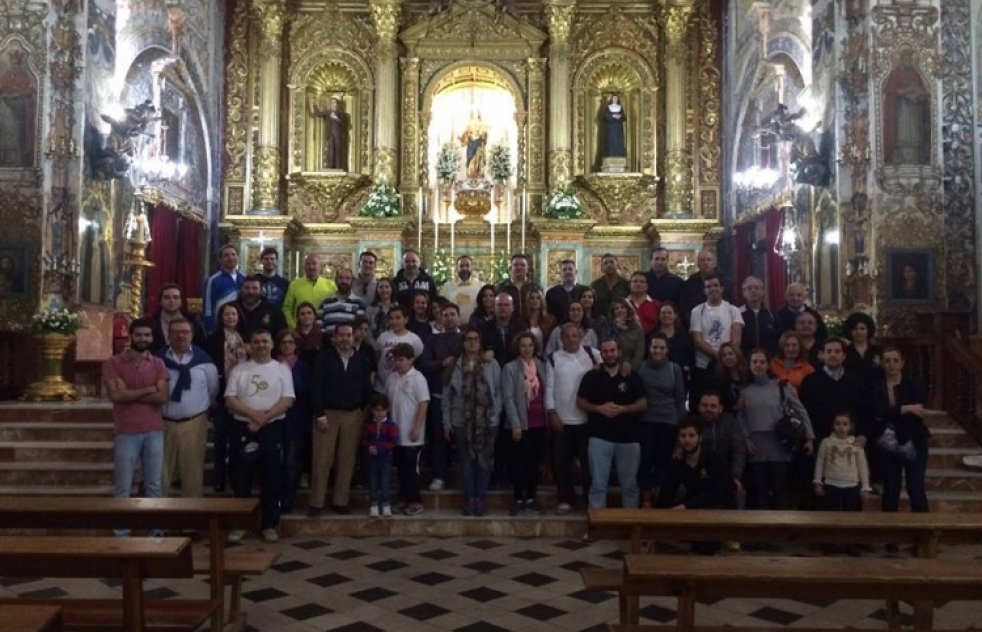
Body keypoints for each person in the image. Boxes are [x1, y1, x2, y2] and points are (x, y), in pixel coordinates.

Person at [224, 328, 294, 543]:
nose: (261, 345)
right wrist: (253, 415)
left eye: (265, 341)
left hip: (272, 429)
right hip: (244, 428)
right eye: (256, 341)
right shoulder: (240, 370)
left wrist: (264, 418)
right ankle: (239, 525)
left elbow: (287, 400)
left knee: (272, 478)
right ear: (250, 345)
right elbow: (230, 399)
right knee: (240, 478)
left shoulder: (282, 369)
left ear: (272, 344)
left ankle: (270, 524)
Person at [103, 318, 169, 535]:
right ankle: (121, 533)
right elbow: (116, 395)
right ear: (130, 336)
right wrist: (149, 388)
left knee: (154, 485)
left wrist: (130, 393)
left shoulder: (158, 363)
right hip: (126, 430)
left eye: (147, 335)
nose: (143, 339)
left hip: (154, 430)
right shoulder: (113, 363)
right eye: (139, 335)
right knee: (123, 485)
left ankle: (156, 530)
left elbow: (162, 397)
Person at [308, 322, 375, 516]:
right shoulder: (324, 358)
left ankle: (340, 501)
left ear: (354, 337)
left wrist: (363, 410)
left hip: (353, 415)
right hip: (326, 414)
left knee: (347, 459)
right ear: (335, 338)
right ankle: (317, 503)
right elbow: (315, 387)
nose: (345, 339)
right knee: (322, 459)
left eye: (349, 335)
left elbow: (366, 388)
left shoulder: (361, 360)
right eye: (342, 335)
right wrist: (319, 413)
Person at [740, 348, 814, 510]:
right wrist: (745, 438)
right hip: (756, 446)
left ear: (768, 365)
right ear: (750, 365)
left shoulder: (781, 386)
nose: (758, 365)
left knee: (780, 489)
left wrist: (809, 437)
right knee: (759, 491)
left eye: (762, 362)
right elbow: (742, 417)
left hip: (779, 443)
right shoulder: (745, 392)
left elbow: (801, 411)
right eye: (754, 362)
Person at [577, 339, 646, 509]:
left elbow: (643, 403)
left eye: (612, 350)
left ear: (619, 352)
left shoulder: (631, 375)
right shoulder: (592, 376)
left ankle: (631, 529)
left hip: (629, 439)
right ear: (601, 353)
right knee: (598, 485)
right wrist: (598, 408)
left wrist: (623, 409)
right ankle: (597, 528)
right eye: (605, 351)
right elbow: (580, 401)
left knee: (629, 487)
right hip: (599, 438)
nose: (609, 354)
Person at [443, 328, 502, 516]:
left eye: (476, 339)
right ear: (463, 342)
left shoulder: (491, 363)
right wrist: (447, 422)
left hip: (487, 421)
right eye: (468, 339)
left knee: (484, 462)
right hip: (462, 421)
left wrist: (496, 412)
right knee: (467, 462)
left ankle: (481, 498)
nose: (472, 343)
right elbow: (447, 397)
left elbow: (499, 391)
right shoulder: (454, 365)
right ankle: (470, 498)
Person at [158, 318, 218, 500]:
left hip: (193, 423)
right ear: (169, 335)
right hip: (162, 423)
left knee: (192, 474)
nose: (180, 336)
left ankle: (192, 522)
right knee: (160, 473)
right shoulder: (157, 360)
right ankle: (156, 522)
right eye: (175, 332)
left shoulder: (205, 362)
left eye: (185, 332)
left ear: (192, 335)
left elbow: (212, 389)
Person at [546, 323, 601, 514]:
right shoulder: (553, 358)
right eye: (567, 336)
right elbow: (549, 388)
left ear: (580, 337)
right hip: (563, 420)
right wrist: (552, 412)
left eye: (574, 336)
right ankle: (565, 499)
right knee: (562, 464)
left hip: (586, 421)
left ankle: (588, 500)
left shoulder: (593, 354)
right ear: (561, 339)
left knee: (589, 465)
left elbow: (610, 369)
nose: (571, 339)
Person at [873, 347, 930, 514]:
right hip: (888, 441)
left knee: (916, 487)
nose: (891, 365)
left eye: (895, 361)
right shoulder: (877, 387)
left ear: (902, 363)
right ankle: (890, 536)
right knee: (890, 489)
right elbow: (877, 412)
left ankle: (923, 533)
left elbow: (918, 411)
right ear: (882, 364)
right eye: (887, 361)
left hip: (914, 439)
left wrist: (895, 411)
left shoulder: (914, 384)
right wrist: (905, 408)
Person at [417, 303, 464, 492]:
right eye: (446, 314)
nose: (450, 317)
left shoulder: (466, 338)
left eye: (453, 314)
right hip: (438, 395)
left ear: (459, 317)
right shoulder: (433, 340)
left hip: (462, 398)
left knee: (462, 439)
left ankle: (464, 476)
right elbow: (424, 365)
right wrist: (441, 363)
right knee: (438, 438)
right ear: (441, 318)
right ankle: (438, 476)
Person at [636, 333, 686, 507]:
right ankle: (647, 499)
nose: (657, 350)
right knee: (645, 460)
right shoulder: (641, 367)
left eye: (661, 348)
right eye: (654, 347)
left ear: (667, 350)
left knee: (663, 461)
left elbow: (680, 398)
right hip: (645, 420)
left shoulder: (675, 369)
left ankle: (661, 499)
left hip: (669, 421)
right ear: (649, 349)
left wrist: (681, 426)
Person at [204, 303, 249, 492]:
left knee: (239, 439)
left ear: (239, 316)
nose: (230, 317)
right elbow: (211, 366)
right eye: (227, 314)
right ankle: (219, 477)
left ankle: (237, 476)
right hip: (222, 394)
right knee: (221, 439)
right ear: (221, 317)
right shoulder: (214, 337)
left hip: (244, 394)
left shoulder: (245, 336)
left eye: (234, 314)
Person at [502, 332, 548, 515]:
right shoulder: (510, 368)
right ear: (517, 348)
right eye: (523, 346)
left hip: (539, 422)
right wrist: (515, 424)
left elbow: (546, 390)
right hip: (520, 423)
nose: (527, 349)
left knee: (534, 463)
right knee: (519, 463)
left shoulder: (540, 365)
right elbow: (508, 398)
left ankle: (531, 497)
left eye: (530, 345)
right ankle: (518, 498)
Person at [386, 343, 430, 516]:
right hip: (395, 433)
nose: (398, 363)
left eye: (402, 360)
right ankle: (404, 498)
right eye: (396, 360)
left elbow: (423, 403)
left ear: (411, 360)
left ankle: (416, 502)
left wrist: (416, 427)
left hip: (411, 433)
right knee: (402, 469)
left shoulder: (418, 378)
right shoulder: (391, 378)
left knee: (411, 470)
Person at [689, 274, 744, 409]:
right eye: (708, 286)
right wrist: (717, 355)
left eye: (715, 285)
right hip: (703, 365)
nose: (712, 289)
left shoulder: (733, 310)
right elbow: (697, 340)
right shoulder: (697, 311)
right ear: (704, 290)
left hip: (727, 366)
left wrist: (726, 357)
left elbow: (736, 339)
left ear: (722, 288)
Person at [657, 418, 731, 510]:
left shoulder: (715, 460)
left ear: (700, 438)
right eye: (683, 436)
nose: (687, 440)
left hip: (716, 512)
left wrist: (686, 506)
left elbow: (717, 493)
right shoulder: (675, 464)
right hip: (686, 515)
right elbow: (665, 496)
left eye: (691, 436)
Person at [276, 330, 311, 515]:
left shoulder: (303, 368)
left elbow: (305, 394)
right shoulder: (272, 365)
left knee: (291, 462)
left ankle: (287, 500)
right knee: (274, 463)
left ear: (296, 345)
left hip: (295, 420)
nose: (287, 345)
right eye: (284, 342)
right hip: (273, 420)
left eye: (291, 342)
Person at [813, 411, 871, 515]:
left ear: (851, 426)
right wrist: (818, 482)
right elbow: (820, 463)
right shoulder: (826, 442)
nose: (841, 427)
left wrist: (865, 488)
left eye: (845, 424)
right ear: (833, 425)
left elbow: (862, 466)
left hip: (851, 485)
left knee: (851, 517)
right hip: (831, 484)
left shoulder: (856, 443)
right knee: (830, 516)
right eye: (838, 423)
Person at [696, 390, 746, 508]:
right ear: (699, 407)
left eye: (713, 406)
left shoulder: (730, 422)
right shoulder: (693, 422)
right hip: (698, 474)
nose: (708, 409)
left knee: (738, 492)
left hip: (725, 473)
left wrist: (735, 476)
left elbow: (739, 450)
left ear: (720, 408)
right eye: (705, 405)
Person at [362, 393, 399, 518]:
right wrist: (369, 448)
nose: (380, 413)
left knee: (385, 482)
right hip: (372, 458)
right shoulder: (369, 425)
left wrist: (380, 449)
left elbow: (392, 442)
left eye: (382, 410)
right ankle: (373, 505)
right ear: (372, 410)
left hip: (385, 458)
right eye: (377, 410)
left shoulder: (391, 425)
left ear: (387, 410)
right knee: (373, 481)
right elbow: (365, 440)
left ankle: (386, 504)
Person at [375, 305, 424, 392]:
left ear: (406, 319)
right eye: (391, 318)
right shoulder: (383, 337)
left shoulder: (414, 339)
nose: (394, 321)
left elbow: (416, 358)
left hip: (404, 387)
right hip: (381, 387)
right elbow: (377, 357)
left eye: (398, 318)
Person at [148, 284, 207, 355]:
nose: (172, 301)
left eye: (176, 297)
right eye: (167, 298)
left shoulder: (193, 323)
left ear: (181, 301)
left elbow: (201, 348)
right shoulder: (150, 323)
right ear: (160, 301)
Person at [283, 254, 338, 330]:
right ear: (304, 267)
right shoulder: (294, 285)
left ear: (320, 266)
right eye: (308, 264)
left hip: (324, 329)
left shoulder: (331, 285)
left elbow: (336, 307)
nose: (311, 267)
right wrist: (293, 326)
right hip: (299, 330)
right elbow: (286, 308)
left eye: (314, 264)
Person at [679, 250, 734, 324]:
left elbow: (732, 304)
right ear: (698, 264)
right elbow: (685, 309)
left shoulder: (727, 282)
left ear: (715, 263)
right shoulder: (689, 284)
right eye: (702, 260)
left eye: (709, 260)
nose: (705, 263)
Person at [203, 244, 245, 333]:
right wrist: (210, 329)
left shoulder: (244, 278)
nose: (230, 258)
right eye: (226, 255)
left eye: (233, 254)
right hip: (220, 327)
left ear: (238, 257)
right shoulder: (213, 280)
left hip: (241, 326)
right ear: (220, 260)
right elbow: (208, 308)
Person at [318, 267, 368, 339]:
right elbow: (319, 325)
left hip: (351, 345)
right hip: (328, 345)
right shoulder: (325, 302)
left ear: (352, 281)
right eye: (341, 278)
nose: (344, 281)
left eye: (347, 278)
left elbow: (360, 327)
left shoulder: (360, 303)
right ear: (335, 280)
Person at [480, 293, 526, 367]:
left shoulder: (521, 328)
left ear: (513, 308)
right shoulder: (485, 328)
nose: (503, 308)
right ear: (494, 308)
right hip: (493, 370)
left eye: (506, 305)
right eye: (500, 305)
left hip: (516, 369)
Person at [739, 276, 778, 356]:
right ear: (743, 293)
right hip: (744, 362)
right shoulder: (737, 314)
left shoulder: (771, 315)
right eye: (749, 288)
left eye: (756, 288)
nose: (753, 291)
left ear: (762, 291)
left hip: (768, 362)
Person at [842, 311, 883, 387]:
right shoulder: (844, 351)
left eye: (862, 328)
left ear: (868, 330)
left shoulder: (877, 351)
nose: (859, 332)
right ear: (849, 331)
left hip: (874, 392)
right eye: (855, 329)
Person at [657, 301, 694, 378]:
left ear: (676, 315)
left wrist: (686, 368)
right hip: (657, 374)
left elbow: (691, 357)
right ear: (659, 315)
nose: (666, 315)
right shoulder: (652, 335)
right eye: (663, 313)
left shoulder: (685, 336)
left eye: (669, 313)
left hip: (679, 376)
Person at [607, 298, 646, 369]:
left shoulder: (637, 329)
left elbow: (639, 354)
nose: (619, 310)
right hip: (612, 367)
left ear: (628, 310)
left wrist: (630, 367)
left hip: (632, 368)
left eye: (623, 307)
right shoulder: (609, 328)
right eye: (616, 308)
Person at [442, 256, 483, 322]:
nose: (464, 268)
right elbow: (442, 308)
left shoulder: (481, 286)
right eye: (461, 266)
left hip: (475, 327)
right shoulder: (447, 286)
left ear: (472, 267)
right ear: (456, 268)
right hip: (452, 327)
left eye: (467, 265)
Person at [314, 95, 349, 170]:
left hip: (338, 136)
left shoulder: (342, 114)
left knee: (338, 152)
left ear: (338, 104)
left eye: (335, 103)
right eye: (332, 103)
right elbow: (318, 114)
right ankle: (329, 167)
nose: (334, 104)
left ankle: (338, 167)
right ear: (331, 104)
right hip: (330, 134)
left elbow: (345, 125)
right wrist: (314, 105)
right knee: (330, 152)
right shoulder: (328, 112)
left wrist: (336, 118)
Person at [710, 342, 748, 412]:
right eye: (724, 355)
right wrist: (733, 408)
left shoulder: (748, 376)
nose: (727, 357)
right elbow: (719, 403)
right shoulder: (718, 380)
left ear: (737, 355)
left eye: (730, 354)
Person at [590, 253, 630, 318]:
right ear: (602, 268)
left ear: (617, 265)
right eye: (605, 263)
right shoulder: (595, 285)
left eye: (612, 262)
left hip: (622, 321)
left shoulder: (626, 284)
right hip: (601, 322)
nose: (609, 265)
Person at [523, 288, 555, 354]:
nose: (535, 300)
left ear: (542, 301)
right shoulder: (522, 320)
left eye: (538, 298)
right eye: (532, 298)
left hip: (544, 356)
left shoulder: (550, 320)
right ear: (528, 301)